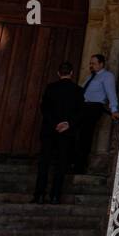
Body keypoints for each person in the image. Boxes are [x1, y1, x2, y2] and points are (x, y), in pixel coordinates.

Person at [34, 62, 80, 204]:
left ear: (59, 73)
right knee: (61, 164)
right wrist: (67, 124)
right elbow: (80, 112)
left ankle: (39, 195)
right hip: (66, 133)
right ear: (72, 73)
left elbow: (44, 108)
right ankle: (55, 196)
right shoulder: (78, 90)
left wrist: (54, 123)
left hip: (49, 130)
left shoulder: (51, 88)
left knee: (45, 162)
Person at [73, 53, 119, 172]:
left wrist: (114, 109)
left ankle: (80, 166)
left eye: (93, 63)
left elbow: (111, 93)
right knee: (77, 134)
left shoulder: (107, 76)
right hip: (83, 107)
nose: (91, 65)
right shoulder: (90, 77)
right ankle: (74, 162)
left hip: (94, 108)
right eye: (90, 63)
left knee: (85, 136)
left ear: (101, 64)